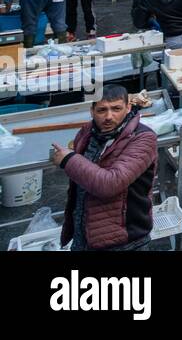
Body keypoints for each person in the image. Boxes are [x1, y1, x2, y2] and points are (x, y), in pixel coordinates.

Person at [54, 84, 157, 251]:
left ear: (128, 107)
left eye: (116, 109)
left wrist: (68, 160)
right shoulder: (88, 131)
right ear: (92, 111)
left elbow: (110, 184)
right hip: (86, 233)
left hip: (124, 240)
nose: (109, 116)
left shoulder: (143, 138)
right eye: (102, 110)